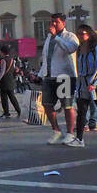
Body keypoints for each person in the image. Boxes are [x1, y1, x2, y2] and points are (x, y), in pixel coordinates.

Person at [35, 13, 78, 145]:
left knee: (67, 105)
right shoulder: (49, 38)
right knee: (46, 104)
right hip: (49, 76)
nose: (53, 24)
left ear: (63, 23)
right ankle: (56, 130)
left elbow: (70, 49)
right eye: (52, 22)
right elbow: (46, 57)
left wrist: (56, 37)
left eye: (56, 22)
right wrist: (40, 74)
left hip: (64, 76)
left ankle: (70, 133)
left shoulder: (70, 36)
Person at [0, 45, 22, 118]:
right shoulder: (12, 59)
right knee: (12, 97)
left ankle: (6, 112)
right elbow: (13, 69)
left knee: (4, 98)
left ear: (2, 52)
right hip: (11, 80)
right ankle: (18, 110)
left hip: (4, 81)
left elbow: (2, 71)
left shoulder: (3, 60)